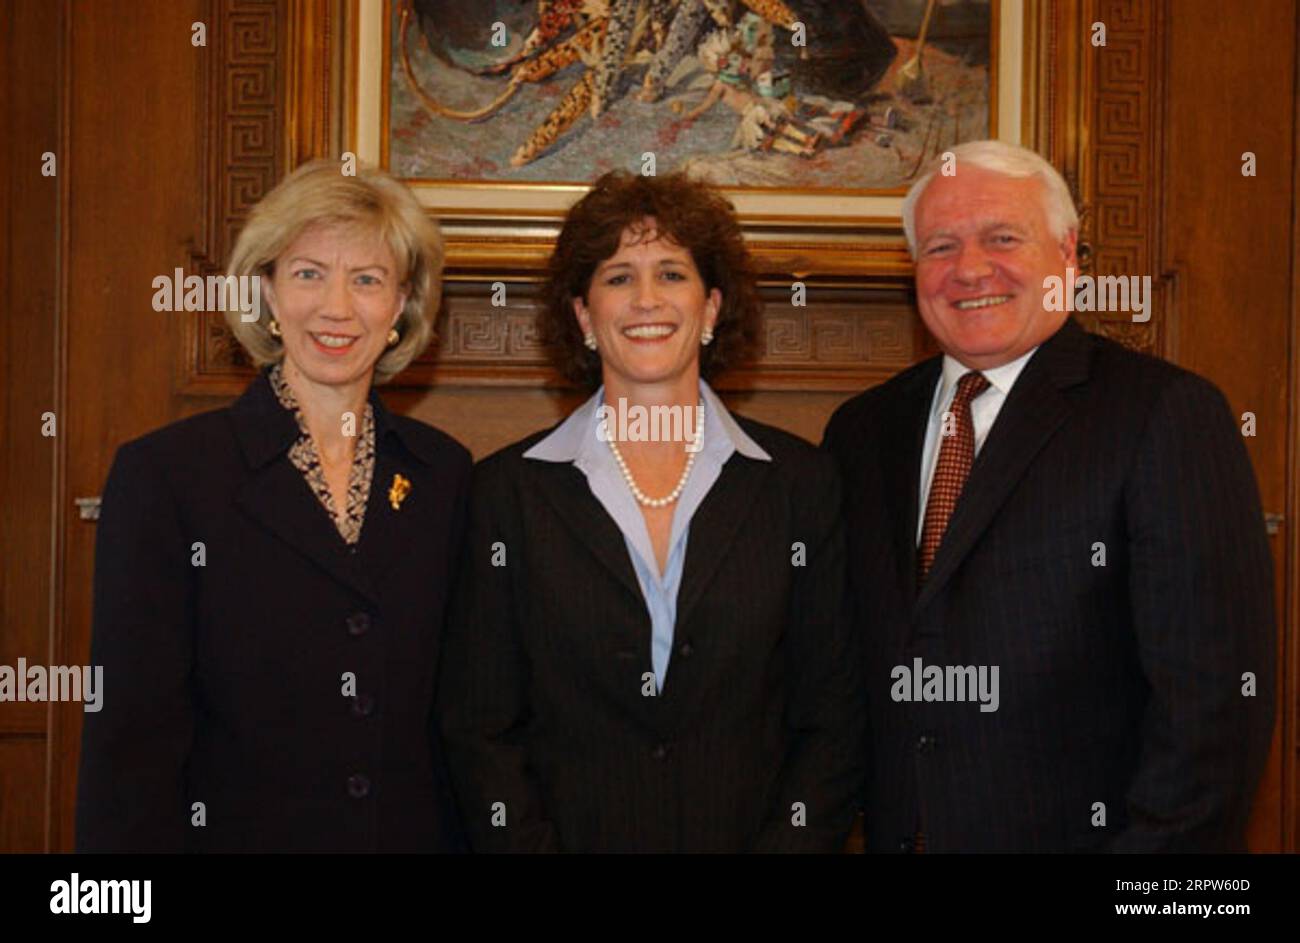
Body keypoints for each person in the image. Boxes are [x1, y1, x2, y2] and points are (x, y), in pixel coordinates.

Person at [823, 139, 1275, 852]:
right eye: (941, 246)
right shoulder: (860, 432)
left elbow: (1213, 712)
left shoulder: (1164, 414)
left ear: (1068, 256)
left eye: (1003, 238)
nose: (970, 268)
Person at [439, 170, 864, 852]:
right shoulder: (504, 495)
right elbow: (479, 728)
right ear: (582, 314)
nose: (645, 299)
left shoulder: (801, 485)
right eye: (616, 277)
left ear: (712, 306)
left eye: (671, 273)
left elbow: (834, 720)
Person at [76, 160, 471, 852]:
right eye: (309, 272)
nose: (336, 308)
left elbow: (460, 719)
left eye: (368, 279)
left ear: (403, 304)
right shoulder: (167, 476)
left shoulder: (445, 475)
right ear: (266, 289)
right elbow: (129, 742)